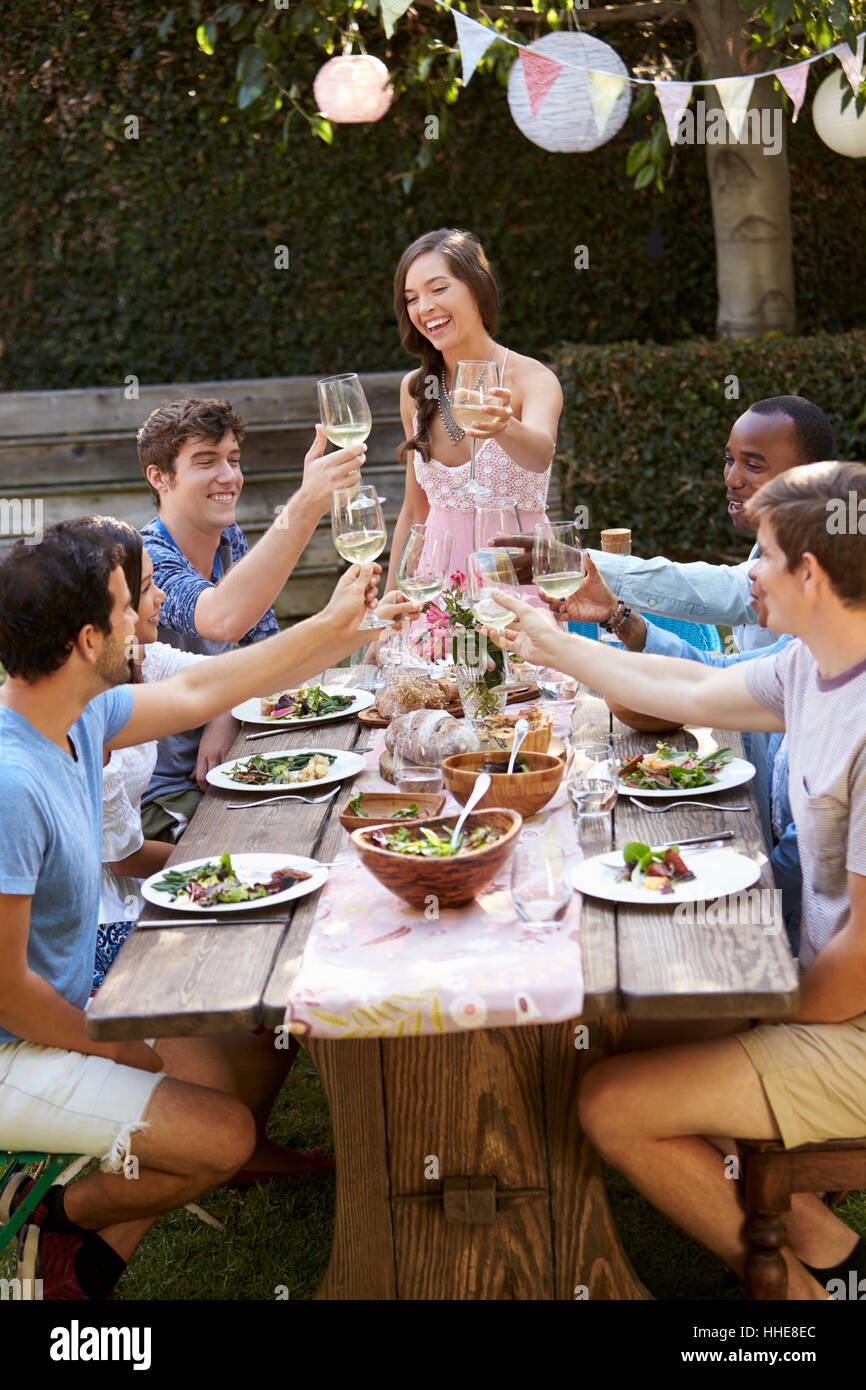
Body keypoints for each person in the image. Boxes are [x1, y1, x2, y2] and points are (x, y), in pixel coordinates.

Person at [0, 519, 413, 1299]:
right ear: (90, 639)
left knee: (255, 1028)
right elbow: (5, 988)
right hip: (12, 1046)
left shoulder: (78, 713)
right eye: (130, 604)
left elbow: (206, 688)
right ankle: (52, 1213)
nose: (143, 615)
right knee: (223, 1136)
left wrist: (335, 625)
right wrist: (113, 1050)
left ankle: (78, 1266)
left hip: (55, 1010)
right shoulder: (11, 783)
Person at [483, 460, 866, 1299]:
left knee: (615, 1103)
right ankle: (838, 1260)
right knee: (630, 1029)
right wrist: (546, 640)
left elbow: (861, 960)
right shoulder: (814, 665)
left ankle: (801, 1303)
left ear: (811, 571)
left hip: (855, 1022)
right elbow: (688, 685)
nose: (747, 575)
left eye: (760, 558)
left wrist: (760, 1008)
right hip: (836, 996)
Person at [137, 396, 366, 841]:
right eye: (206, 462)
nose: (228, 476)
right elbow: (222, 619)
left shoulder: (229, 537)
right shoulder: (147, 557)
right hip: (164, 799)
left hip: (237, 758)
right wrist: (305, 506)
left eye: (233, 460)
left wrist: (225, 710)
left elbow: (262, 647)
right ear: (160, 478)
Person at [502, 394, 836, 653]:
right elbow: (725, 670)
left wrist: (585, 564)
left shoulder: (818, 560)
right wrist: (615, 617)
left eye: (753, 465)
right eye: (730, 460)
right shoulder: (773, 540)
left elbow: (726, 591)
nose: (731, 479)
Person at [383, 227, 563, 590]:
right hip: (436, 593)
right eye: (411, 298)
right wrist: (389, 612)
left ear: (477, 289)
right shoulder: (414, 389)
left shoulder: (533, 379)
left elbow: (540, 455)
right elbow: (416, 511)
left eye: (438, 289)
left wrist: (504, 427)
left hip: (518, 581)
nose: (425, 307)